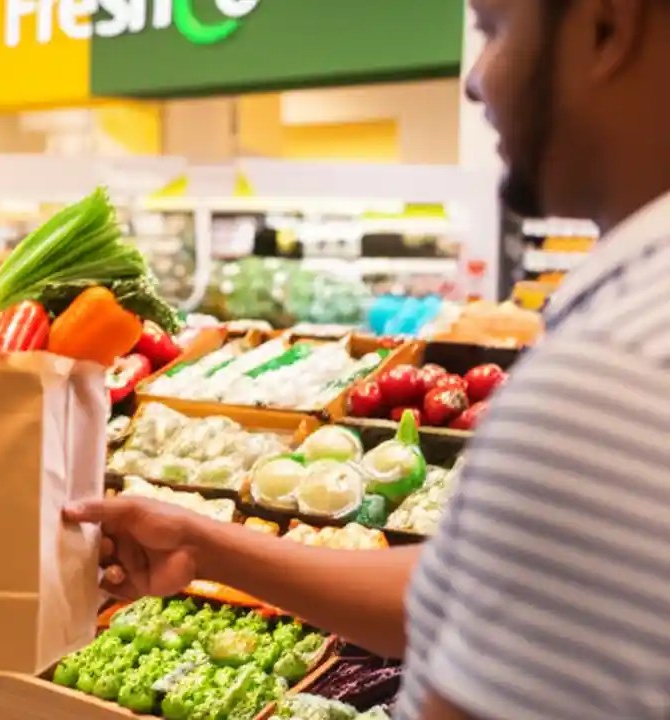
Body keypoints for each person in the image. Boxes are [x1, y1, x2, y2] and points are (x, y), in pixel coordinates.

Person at [67, 0, 670, 718]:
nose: (476, 79)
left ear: (607, 26)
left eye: (494, 29)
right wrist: (205, 543)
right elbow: (466, 596)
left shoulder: (608, 374)